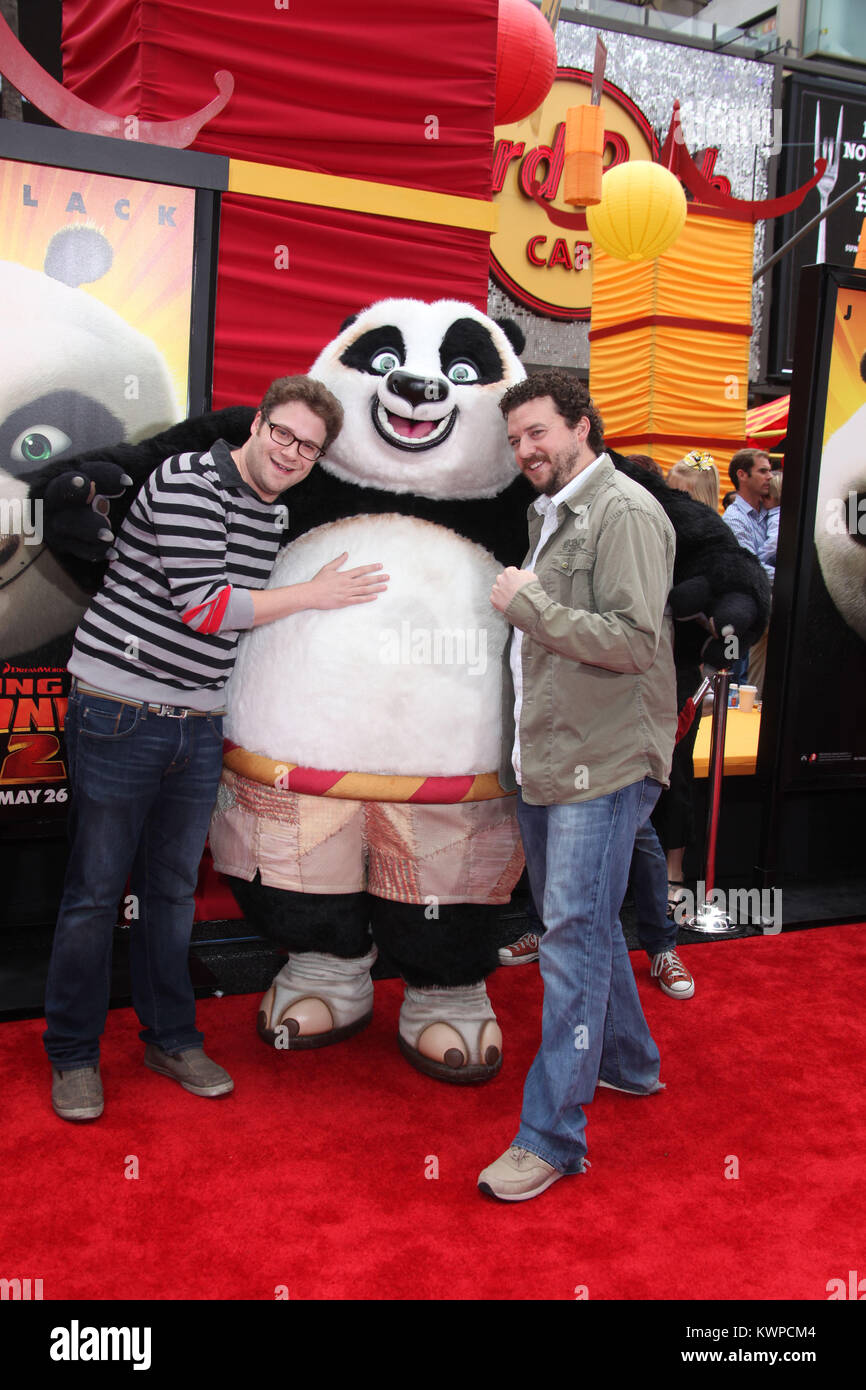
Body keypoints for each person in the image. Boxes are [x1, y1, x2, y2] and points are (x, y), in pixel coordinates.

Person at [43, 376, 389, 1122]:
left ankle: (170, 1037)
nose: (293, 453)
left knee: (170, 896)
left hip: (197, 725)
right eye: (284, 434)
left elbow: (237, 623)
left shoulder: (273, 511)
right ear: (257, 424)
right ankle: (72, 1053)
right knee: (95, 896)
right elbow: (207, 608)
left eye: (310, 447)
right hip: (118, 712)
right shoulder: (188, 478)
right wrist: (314, 595)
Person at [477, 370, 677, 1202]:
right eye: (516, 438)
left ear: (581, 427)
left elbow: (633, 641)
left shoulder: (625, 511)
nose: (527, 449)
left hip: (605, 763)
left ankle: (552, 1136)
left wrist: (527, 606)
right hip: (552, 760)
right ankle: (629, 1062)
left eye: (539, 433)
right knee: (585, 926)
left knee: (571, 941)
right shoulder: (551, 512)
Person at [722, 448, 773, 694]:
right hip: (742, 612)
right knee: (736, 678)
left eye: (770, 470)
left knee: (755, 686)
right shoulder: (735, 518)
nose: (770, 476)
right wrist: (787, 576)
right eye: (763, 471)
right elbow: (749, 566)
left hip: (764, 606)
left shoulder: (770, 512)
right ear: (742, 475)